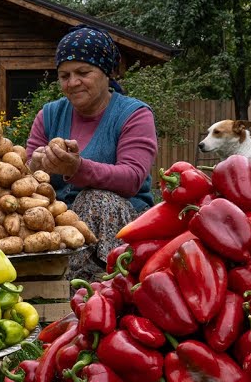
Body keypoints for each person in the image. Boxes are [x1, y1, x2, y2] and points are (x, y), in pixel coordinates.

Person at [25, 25, 158, 279]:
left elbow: (132, 178)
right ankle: (42, 290)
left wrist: (77, 169)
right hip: (60, 226)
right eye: (64, 75)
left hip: (122, 223)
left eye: (83, 72)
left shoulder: (134, 115)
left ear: (107, 72)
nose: (73, 83)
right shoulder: (49, 115)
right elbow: (24, 174)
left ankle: (100, 285)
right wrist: (36, 165)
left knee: (97, 199)